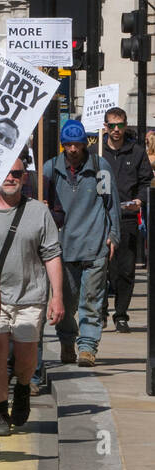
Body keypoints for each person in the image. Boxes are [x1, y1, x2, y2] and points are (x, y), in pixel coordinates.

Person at [0, 159, 64, 435]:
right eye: (4, 173)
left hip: (30, 297)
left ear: (25, 178)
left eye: (16, 173)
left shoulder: (38, 212)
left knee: (26, 359)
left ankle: (23, 386)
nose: (10, 178)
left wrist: (57, 296)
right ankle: (1, 411)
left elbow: (51, 255)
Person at [43, 118, 120, 366]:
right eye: (69, 145)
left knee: (92, 301)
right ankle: (67, 341)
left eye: (77, 144)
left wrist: (113, 235)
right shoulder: (51, 169)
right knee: (65, 301)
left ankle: (87, 347)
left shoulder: (100, 167)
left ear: (84, 143)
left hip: (95, 245)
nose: (73, 150)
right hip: (63, 248)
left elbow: (112, 205)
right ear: (63, 145)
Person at [100, 107, 151, 333]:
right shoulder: (96, 152)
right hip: (101, 218)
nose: (116, 130)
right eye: (112, 125)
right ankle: (100, 311)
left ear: (125, 125)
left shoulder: (137, 152)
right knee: (100, 268)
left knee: (125, 270)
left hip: (127, 217)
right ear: (105, 127)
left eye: (120, 125)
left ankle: (121, 314)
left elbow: (145, 181)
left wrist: (140, 200)